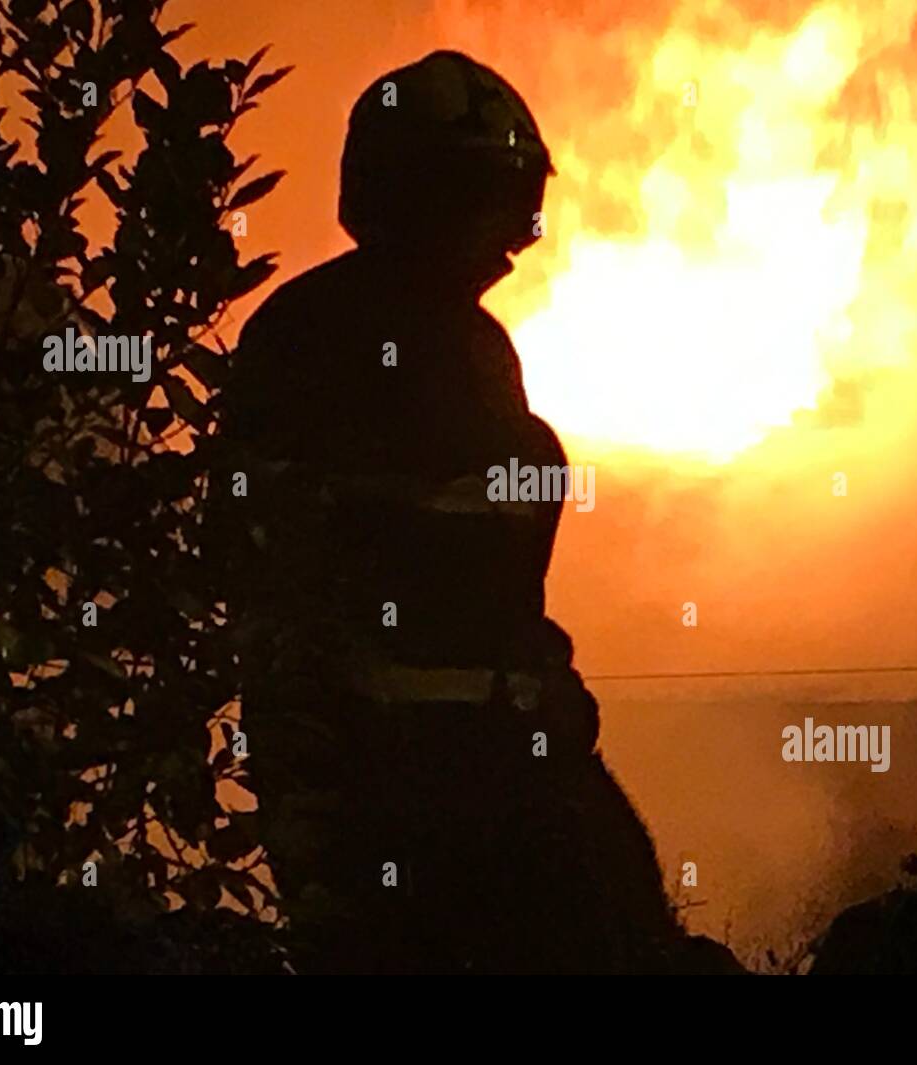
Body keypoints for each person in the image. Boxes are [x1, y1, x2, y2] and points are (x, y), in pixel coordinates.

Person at [225, 50, 741, 974]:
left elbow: (490, 579)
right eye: (496, 201)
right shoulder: (323, 346)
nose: (515, 238)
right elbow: (344, 586)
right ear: (423, 194)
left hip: (489, 763)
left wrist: (543, 690)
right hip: (398, 786)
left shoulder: (457, 342)